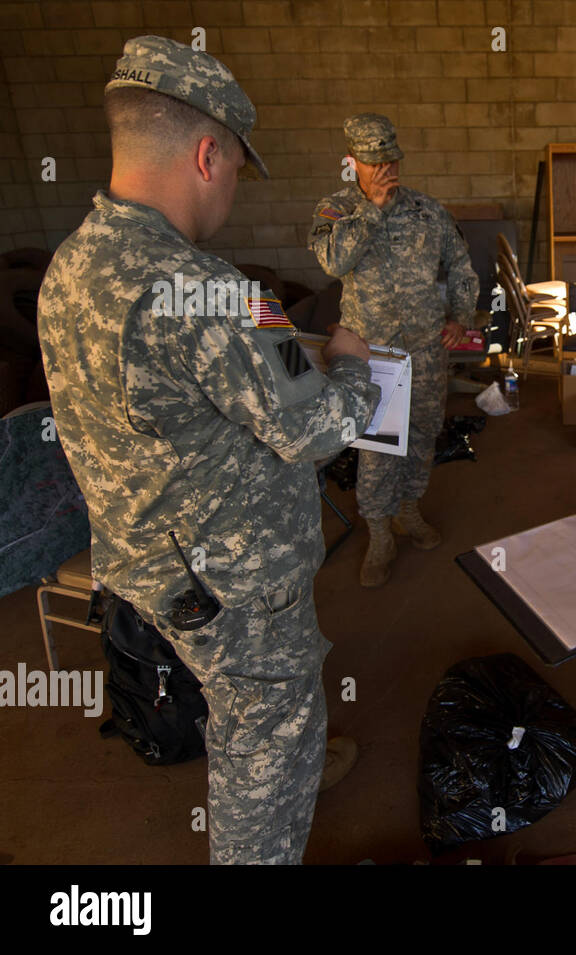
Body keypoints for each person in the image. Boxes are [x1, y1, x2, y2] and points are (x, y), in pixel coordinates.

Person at [38, 36, 381, 863]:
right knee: (263, 735)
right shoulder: (222, 290)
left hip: (143, 565)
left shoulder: (69, 266)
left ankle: (290, 754)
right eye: (236, 168)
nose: (233, 187)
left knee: (236, 704)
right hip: (238, 583)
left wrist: (284, 358)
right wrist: (355, 362)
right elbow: (317, 425)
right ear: (205, 154)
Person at [309, 113, 480, 588]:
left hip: (425, 351)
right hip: (372, 356)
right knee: (379, 448)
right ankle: (380, 533)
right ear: (353, 163)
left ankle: (410, 509)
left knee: (423, 436)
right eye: (375, 162)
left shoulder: (428, 211)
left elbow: (462, 265)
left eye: (392, 160)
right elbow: (333, 261)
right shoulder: (336, 212)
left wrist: (460, 316)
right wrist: (372, 211)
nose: (387, 170)